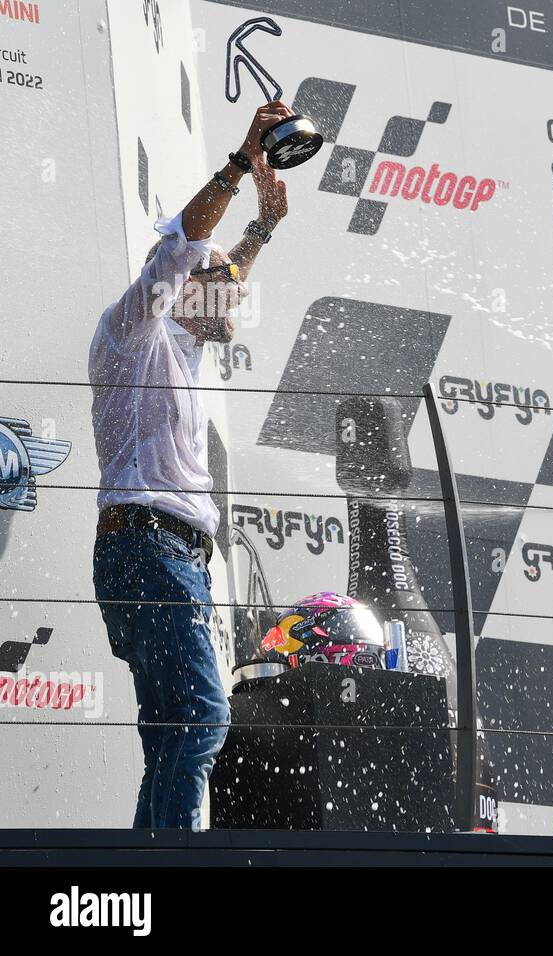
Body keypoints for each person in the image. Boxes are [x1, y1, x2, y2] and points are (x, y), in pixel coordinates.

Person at [90, 102, 292, 828]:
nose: (238, 285)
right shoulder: (136, 328)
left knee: (174, 733)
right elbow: (188, 242)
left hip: (161, 552)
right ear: (182, 289)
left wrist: (268, 222)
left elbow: (221, 259)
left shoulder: (184, 346)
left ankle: (145, 868)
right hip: (148, 547)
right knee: (204, 718)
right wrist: (240, 164)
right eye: (222, 279)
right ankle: (166, 867)